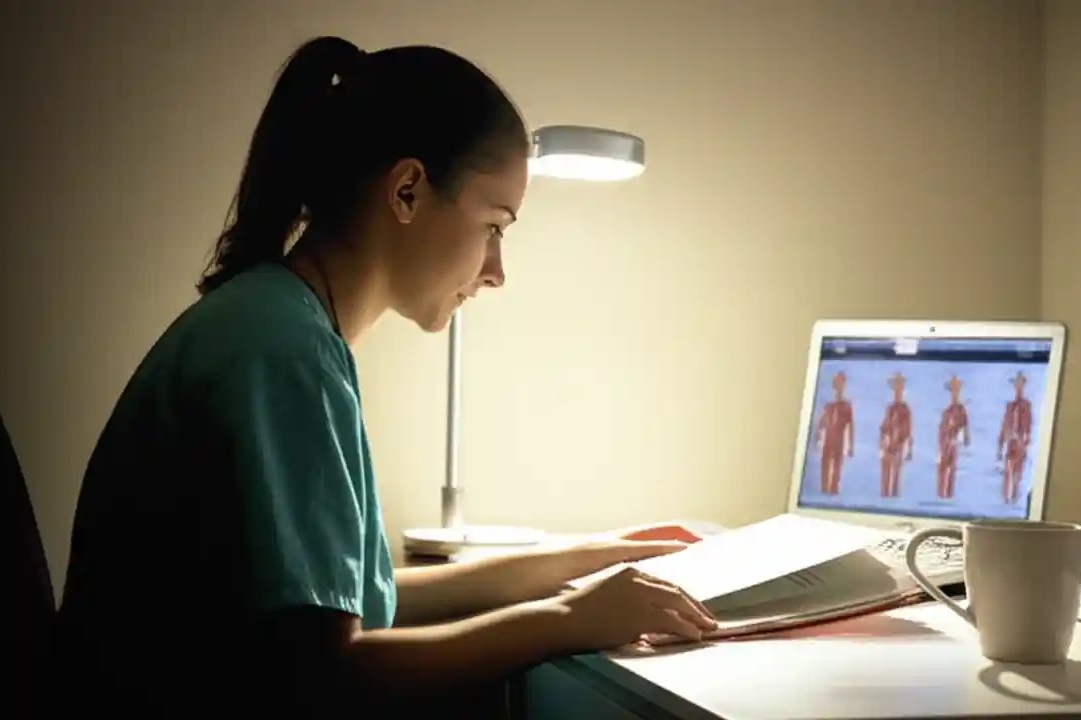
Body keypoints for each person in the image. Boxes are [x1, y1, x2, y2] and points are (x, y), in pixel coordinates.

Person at [52, 36, 716, 716]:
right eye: (493, 226)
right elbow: (326, 673)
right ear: (406, 191)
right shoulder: (284, 353)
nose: (496, 272)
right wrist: (566, 621)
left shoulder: (280, 322)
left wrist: (585, 560)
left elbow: (366, 599)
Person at [814, 371, 855, 495]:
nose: (839, 386)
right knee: (825, 466)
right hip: (828, 440)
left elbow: (850, 426)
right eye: (837, 383)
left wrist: (851, 446)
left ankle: (833, 490)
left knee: (837, 467)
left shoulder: (846, 407)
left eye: (841, 383)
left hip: (839, 440)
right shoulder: (829, 406)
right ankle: (824, 490)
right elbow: (821, 424)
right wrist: (817, 438)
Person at [997, 371, 1033, 504]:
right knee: (1008, 469)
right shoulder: (1010, 406)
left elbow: (1028, 425)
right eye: (1016, 384)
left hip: (1020, 443)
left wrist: (1024, 442)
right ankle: (1006, 497)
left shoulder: (1026, 406)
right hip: (1010, 442)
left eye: (1020, 384)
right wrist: (1000, 446)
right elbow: (1004, 425)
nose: (1018, 387)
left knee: (1017, 471)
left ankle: (1014, 497)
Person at [878, 372, 913, 497]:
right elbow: (884, 427)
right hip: (888, 445)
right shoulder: (890, 408)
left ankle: (893, 496)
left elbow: (908, 429)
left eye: (900, 387)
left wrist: (908, 449)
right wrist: (882, 443)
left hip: (899, 444)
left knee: (896, 475)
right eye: (896, 387)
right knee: (885, 473)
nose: (898, 390)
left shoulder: (905, 409)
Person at [936, 375, 970, 499]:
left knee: (951, 468)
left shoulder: (961, 409)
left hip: (954, 443)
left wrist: (962, 438)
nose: (954, 392)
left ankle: (948, 494)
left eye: (956, 389)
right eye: (952, 390)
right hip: (944, 443)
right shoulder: (946, 411)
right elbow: (942, 430)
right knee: (942, 468)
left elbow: (965, 427)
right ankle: (941, 494)